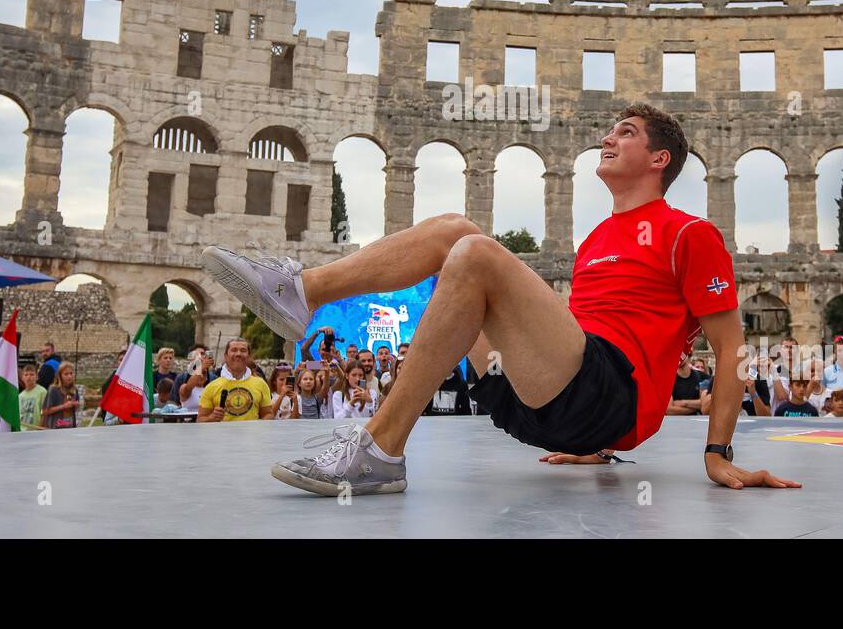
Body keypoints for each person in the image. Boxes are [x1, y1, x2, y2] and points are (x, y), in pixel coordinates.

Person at [202, 103, 800, 494]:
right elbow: (568, 330)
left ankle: (380, 447)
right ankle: (300, 292)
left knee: (475, 251)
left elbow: (732, 352)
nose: (606, 138)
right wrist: (589, 446)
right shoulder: (596, 238)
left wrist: (718, 452)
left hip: (607, 394)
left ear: (659, 158)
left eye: (625, 133)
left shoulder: (690, 234)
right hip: (539, 404)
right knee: (453, 232)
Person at [198, 338, 274, 422]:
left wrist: (258, 428)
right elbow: (200, 420)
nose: (238, 354)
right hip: (222, 435)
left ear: (248, 356)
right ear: (225, 356)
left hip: (252, 435)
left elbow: (268, 414)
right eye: (234, 350)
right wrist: (211, 418)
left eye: (243, 350)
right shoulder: (211, 387)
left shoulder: (261, 384)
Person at [43, 362, 82, 429]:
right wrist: (63, 406)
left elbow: (73, 411)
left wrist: (75, 405)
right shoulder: (53, 390)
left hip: (70, 428)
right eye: (66, 374)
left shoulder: (74, 390)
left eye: (71, 373)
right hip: (55, 429)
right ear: (60, 376)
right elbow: (45, 411)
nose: (69, 376)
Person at [667, 351, 703, 415]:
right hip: (674, 422)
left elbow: (704, 403)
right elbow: (669, 409)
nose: (680, 357)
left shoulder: (700, 376)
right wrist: (696, 407)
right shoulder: (669, 379)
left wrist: (683, 403)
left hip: (697, 421)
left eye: (682, 354)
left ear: (688, 355)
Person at [18, 363, 48, 430]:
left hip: (36, 429)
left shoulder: (42, 392)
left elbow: (45, 413)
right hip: (22, 430)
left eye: (32, 374)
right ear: (22, 378)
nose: (29, 377)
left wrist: (40, 428)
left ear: (37, 377)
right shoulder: (20, 396)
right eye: (26, 375)